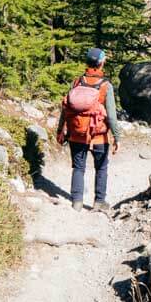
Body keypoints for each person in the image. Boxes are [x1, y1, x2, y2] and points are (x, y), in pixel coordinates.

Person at [56, 47, 121, 211]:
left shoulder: (76, 82)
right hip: (98, 136)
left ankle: (77, 201)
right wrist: (117, 138)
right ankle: (99, 202)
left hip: (76, 133)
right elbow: (112, 117)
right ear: (101, 63)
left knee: (78, 168)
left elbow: (65, 109)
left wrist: (60, 130)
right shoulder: (106, 86)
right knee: (101, 168)